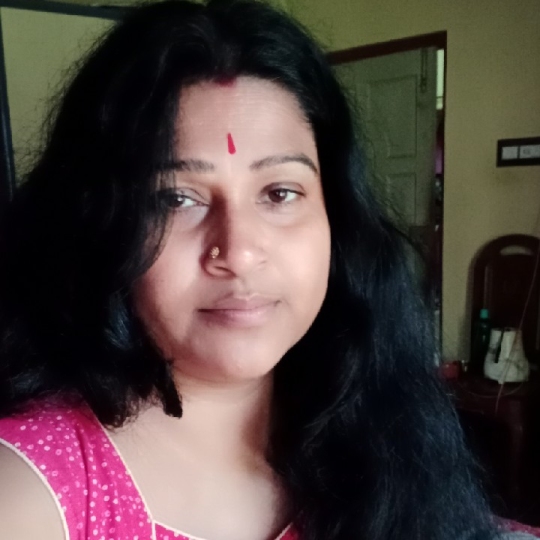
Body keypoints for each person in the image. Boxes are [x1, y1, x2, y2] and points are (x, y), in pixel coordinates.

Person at [0, 1, 534, 539]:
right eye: (176, 199)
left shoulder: (380, 433)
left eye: (279, 193)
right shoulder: (31, 494)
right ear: (100, 225)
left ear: (336, 217)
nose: (238, 252)